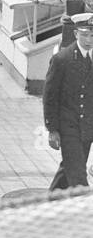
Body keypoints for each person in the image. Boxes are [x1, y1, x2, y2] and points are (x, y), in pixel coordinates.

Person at [43, 12, 93, 188]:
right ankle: (87, 211)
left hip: (88, 127)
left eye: (92, 35)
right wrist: (52, 129)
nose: (89, 39)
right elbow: (50, 96)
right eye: (85, 34)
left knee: (69, 170)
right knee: (78, 176)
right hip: (68, 127)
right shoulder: (62, 59)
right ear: (76, 34)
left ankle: (51, 202)